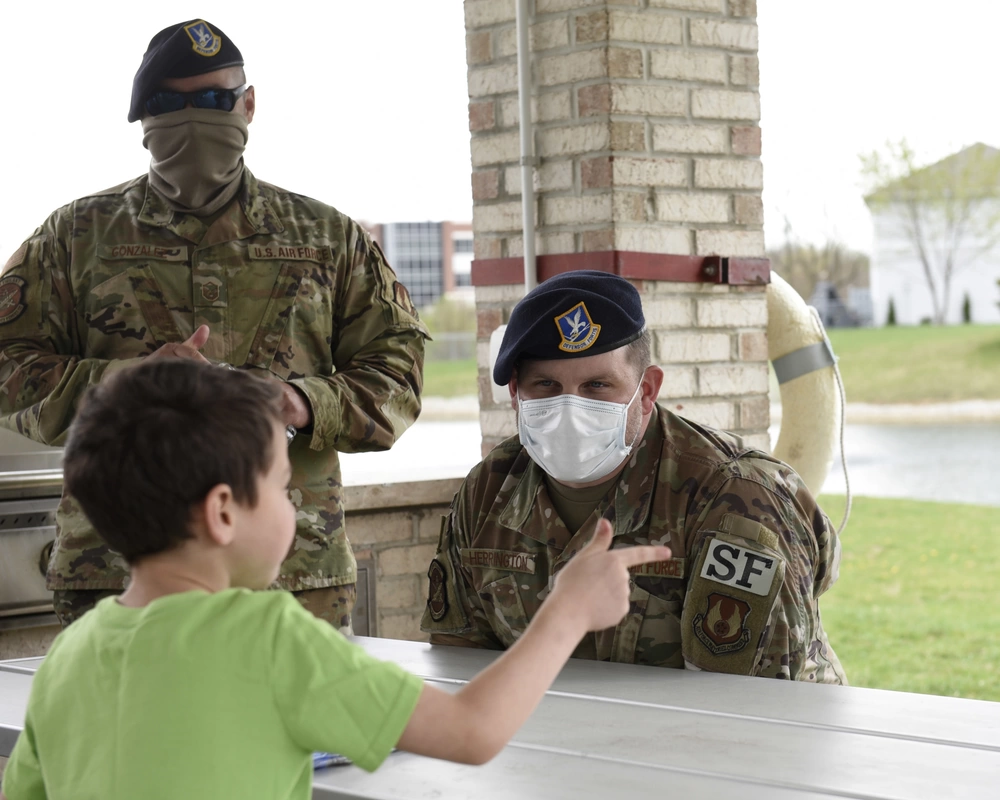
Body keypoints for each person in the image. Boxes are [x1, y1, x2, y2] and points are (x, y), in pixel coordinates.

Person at [0, 359, 670, 800]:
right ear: (224, 511)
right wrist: (568, 611)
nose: (292, 508)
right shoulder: (266, 636)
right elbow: (471, 731)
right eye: (282, 488)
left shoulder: (69, 656)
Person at [0, 19, 428, 630]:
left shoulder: (327, 238)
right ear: (141, 117)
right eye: (169, 103)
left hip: (293, 574)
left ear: (248, 103)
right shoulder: (74, 238)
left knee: (293, 728)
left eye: (212, 100)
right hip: (120, 575)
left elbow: (399, 374)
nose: (192, 118)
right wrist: (123, 383)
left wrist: (301, 401)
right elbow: (5, 365)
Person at [421, 270, 847, 684]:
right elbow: (462, 665)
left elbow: (750, 705)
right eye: (546, 385)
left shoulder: (736, 498)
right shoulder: (489, 491)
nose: (571, 408)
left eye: (597, 386)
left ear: (646, 392)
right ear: (516, 393)